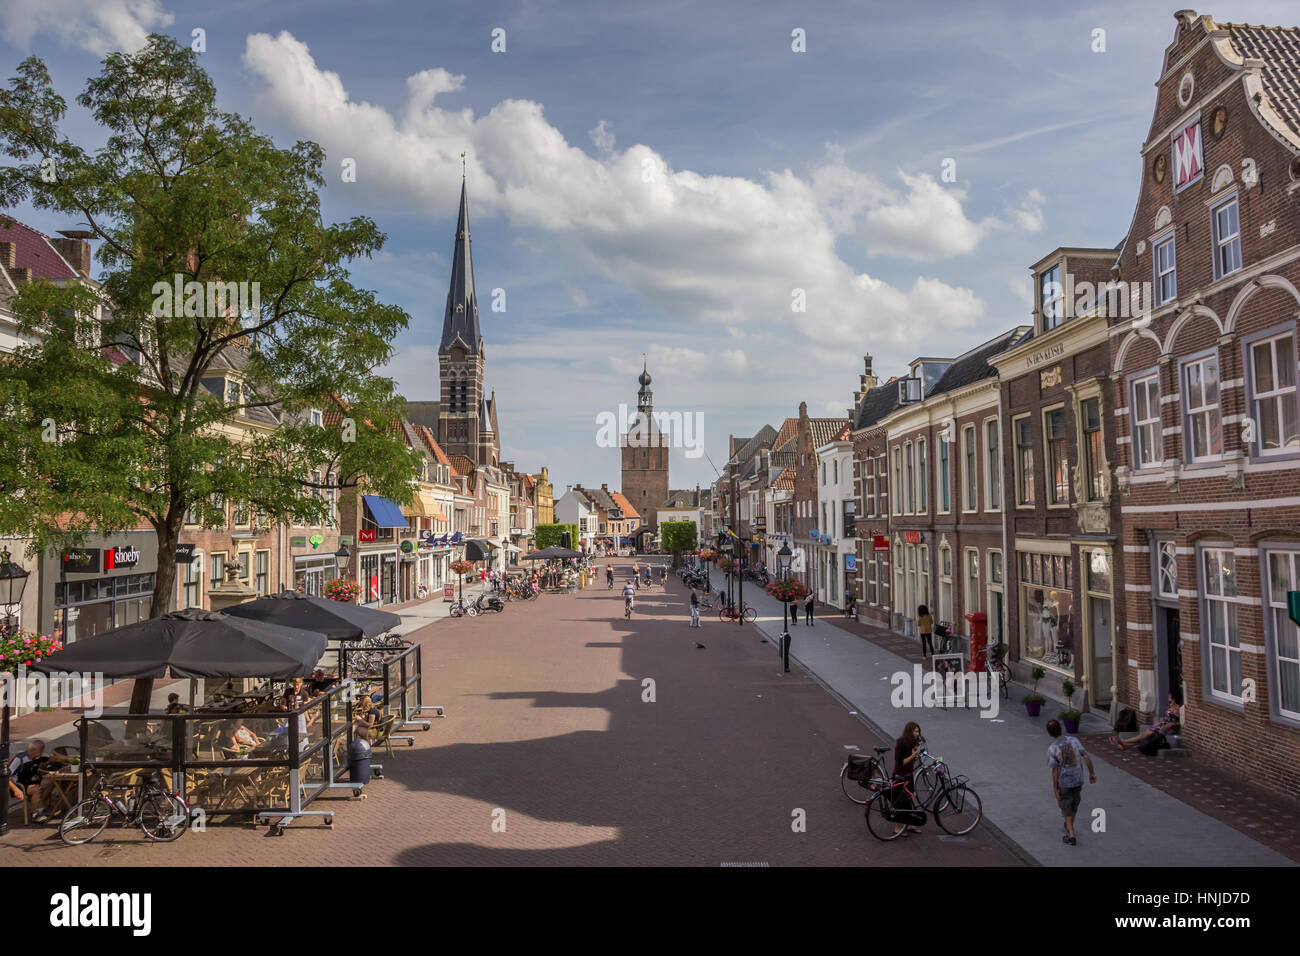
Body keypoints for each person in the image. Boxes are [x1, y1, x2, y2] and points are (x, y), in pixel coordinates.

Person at [1047, 719, 1096, 846]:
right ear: (1061, 728)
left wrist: (1055, 789)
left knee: (1066, 807)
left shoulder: (1052, 748)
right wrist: (1091, 773)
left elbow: (1055, 771)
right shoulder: (1073, 740)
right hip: (1078, 779)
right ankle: (1069, 826)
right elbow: (1086, 756)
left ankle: (1071, 834)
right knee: (1074, 804)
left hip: (1065, 782)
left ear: (1049, 733)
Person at [1111, 689, 1181, 751]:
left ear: (1174, 697)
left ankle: (1122, 742)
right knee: (1144, 736)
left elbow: (1178, 721)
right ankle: (1125, 745)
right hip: (1161, 725)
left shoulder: (1178, 708)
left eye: (1170, 696)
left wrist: (1173, 724)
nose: (1168, 697)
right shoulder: (1171, 705)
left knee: (1143, 736)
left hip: (1167, 728)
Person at [891, 722, 924, 836]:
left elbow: (912, 762)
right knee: (898, 802)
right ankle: (897, 827)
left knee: (909, 799)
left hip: (909, 775)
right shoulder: (901, 743)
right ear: (909, 731)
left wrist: (915, 750)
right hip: (899, 776)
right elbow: (901, 763)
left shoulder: (911, 743)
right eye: (915, 731)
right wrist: (913, 755)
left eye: (918, 731)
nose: (917, 734)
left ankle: (909, 824)